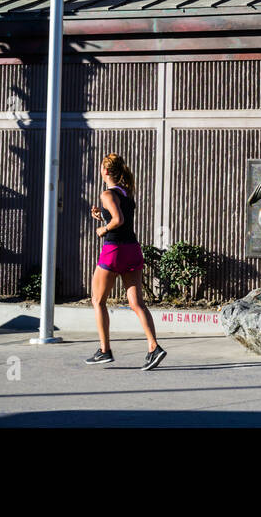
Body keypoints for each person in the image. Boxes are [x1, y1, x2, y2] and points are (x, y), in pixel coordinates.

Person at [84, 153, 166, 370]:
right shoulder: (126, 193)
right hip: (133, 250)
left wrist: (103, 228)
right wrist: (102, 217)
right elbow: (121, 218)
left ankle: (104, 351)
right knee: (137, 303)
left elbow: (118, 220)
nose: (101, 170)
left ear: (106, 171)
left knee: (98, 301)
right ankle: (153, 347)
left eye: (102, 167)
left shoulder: (107, 194)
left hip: (114, 251)